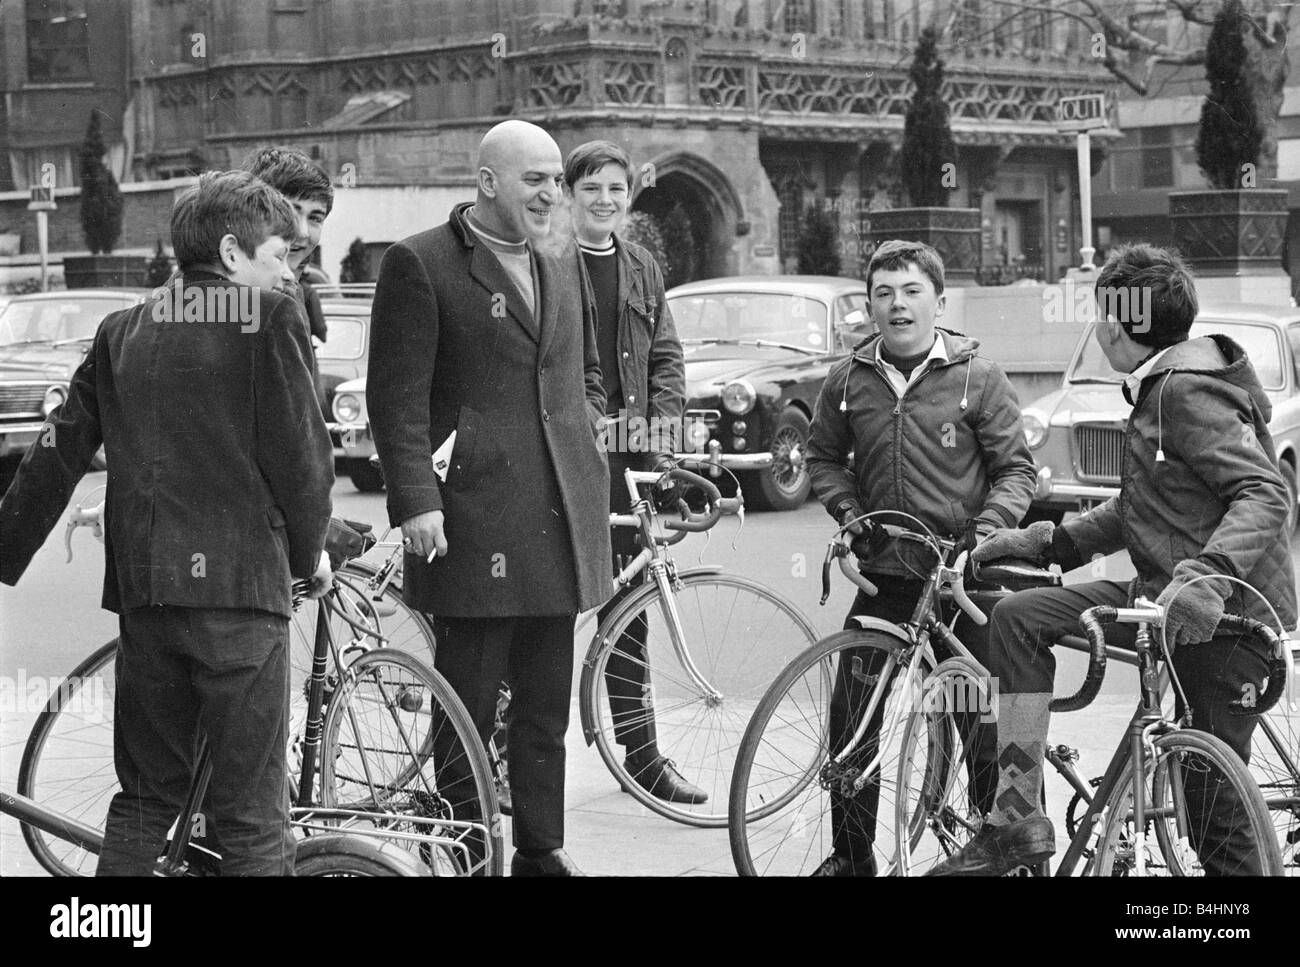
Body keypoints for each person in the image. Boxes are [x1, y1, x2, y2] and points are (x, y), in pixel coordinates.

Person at [0, 170, 335, 875]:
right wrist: (307, 557)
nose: (287, 273)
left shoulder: (123, 328)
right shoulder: (271, 319)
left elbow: (57, 449)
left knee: (146, 798)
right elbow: (304, 464)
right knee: (250, 818)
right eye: (279, 256)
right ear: (232, 253)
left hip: (149, 600)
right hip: (242, 600)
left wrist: (5, 548)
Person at [931, 243, 1297, 876]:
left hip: (1224, 617)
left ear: (1122, 325)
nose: (1095, 327)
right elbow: (1145, 507)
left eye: (1102, 314)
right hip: (1162, 597)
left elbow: (1265, 492)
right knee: (1017, 618)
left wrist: (1204, 582)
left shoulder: (1183, 393)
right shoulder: (1158, 387)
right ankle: (1016, 816)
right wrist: (1051, 543)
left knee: (1211, 810)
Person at [367, 119, 611, 877]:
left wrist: (589, 429)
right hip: (470, 524)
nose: (551, 192)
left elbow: (586, 372)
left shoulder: (563, 256)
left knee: (543, 709)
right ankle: (467, 850)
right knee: (465, 710)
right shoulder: (421, 263)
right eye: (534, 178)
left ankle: (540, 850)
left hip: (559, 518)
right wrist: (416, 501)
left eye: (554, 178)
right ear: (487, 182)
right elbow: (395, 399)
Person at [805, 238, 1036, 876]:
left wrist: (986, 534)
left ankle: (1011, 858)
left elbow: (1018, 471)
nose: (898, 305)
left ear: (938, 299)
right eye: (884, 293)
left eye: (911, 292)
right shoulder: (848, 380)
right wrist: (850, 518)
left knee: (984, 724)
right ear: (870, 306)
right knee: (851, 723)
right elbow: (824, 458)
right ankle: (851, 861)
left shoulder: (977, 378)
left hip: (966, 579)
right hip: (885, 577)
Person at [559, 139, 703, 803]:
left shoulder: (641, 264)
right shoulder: (549, 262)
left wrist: (661, 438)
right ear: (570, 194)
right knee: (547, 608)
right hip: (560, 457)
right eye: (592, 188)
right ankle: (505, 758)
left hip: (629, 462)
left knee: (629, 612)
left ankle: (642, 755)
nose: (606, 200)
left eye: (616, 189)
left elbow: (666, 359)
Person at [240, 146, 332, 407]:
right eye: (290, 211)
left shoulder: (293, 291)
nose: (302, 232)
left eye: (315, 218)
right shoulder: (221, 295)